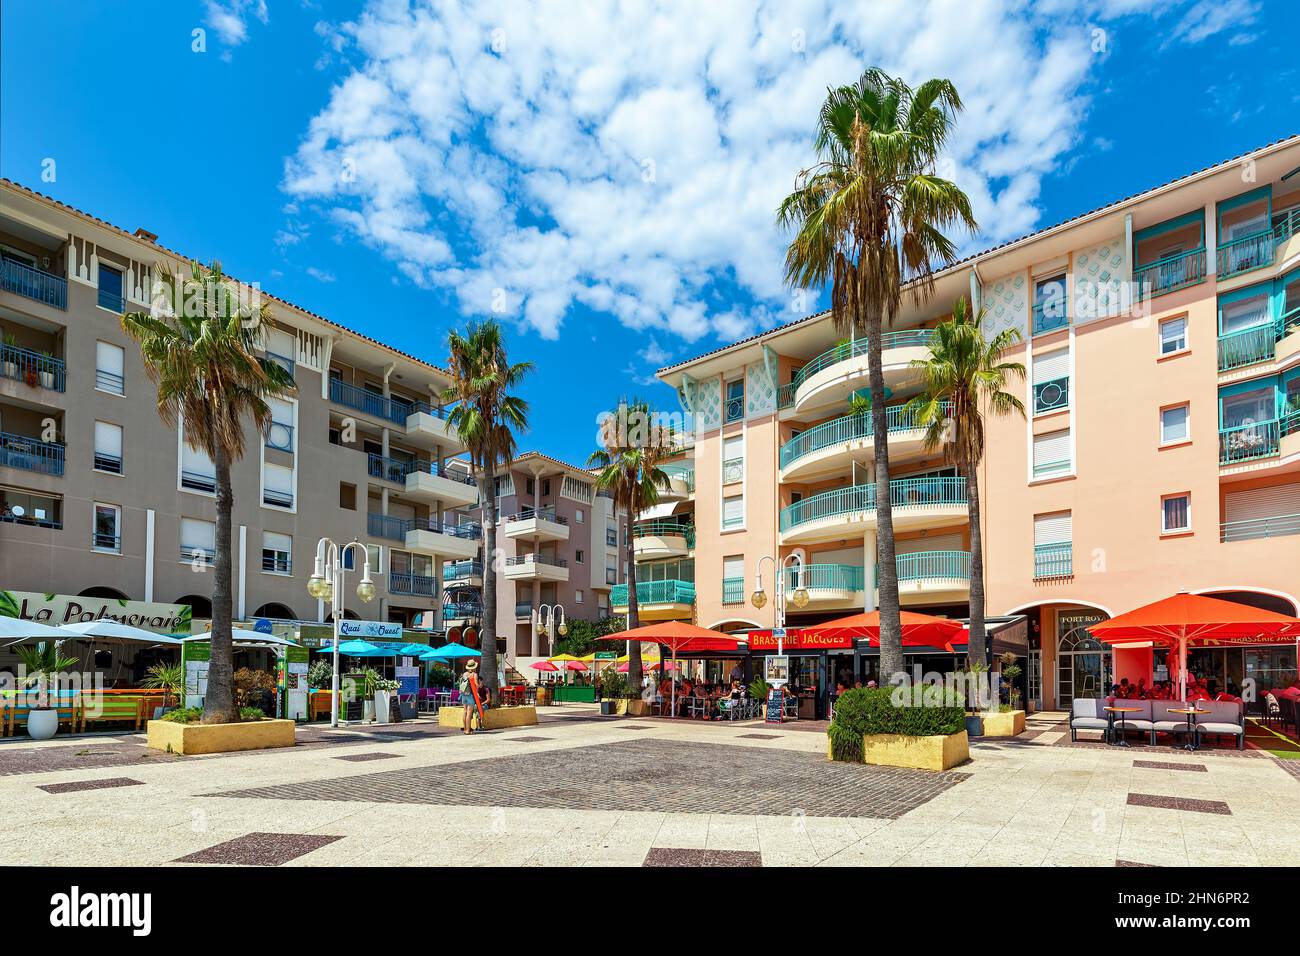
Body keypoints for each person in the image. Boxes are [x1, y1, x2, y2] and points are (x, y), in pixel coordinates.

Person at [458, 660, 482, 735]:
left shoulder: (464, 674)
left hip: (463, 694)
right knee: (469, 712)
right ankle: (468, 730)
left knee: (464, 712)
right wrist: (479, 685)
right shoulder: (474, 674)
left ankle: (465, 729)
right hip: (470, 695)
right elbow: (475, 684)